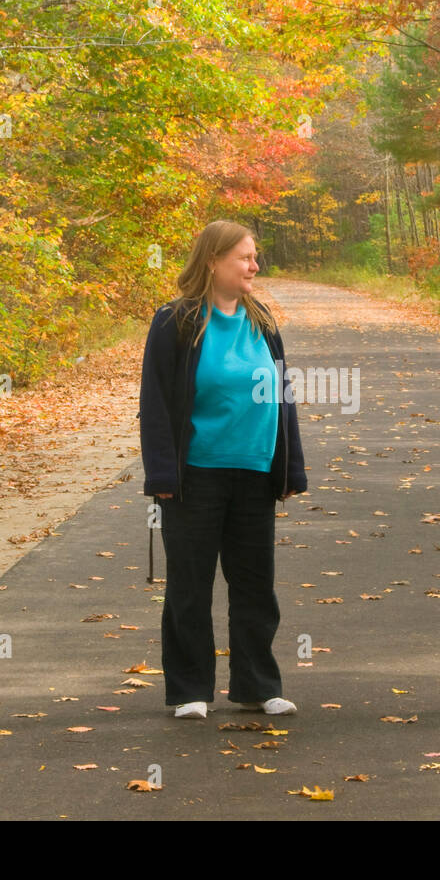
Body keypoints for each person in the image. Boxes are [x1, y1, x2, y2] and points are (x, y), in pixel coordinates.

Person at [138, 220, 308, 720]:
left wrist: (289, 467)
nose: (254, 266)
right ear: (212, 260)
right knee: (190, 585)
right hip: (196, 474)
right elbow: (156, 404)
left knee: (255, 586)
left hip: (255, 472)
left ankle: (257, 685)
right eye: (244, 258)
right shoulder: (175, 321)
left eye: (255, 257)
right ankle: (190, 690)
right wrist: (163, 475)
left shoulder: (263, 321)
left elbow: (283, 396)